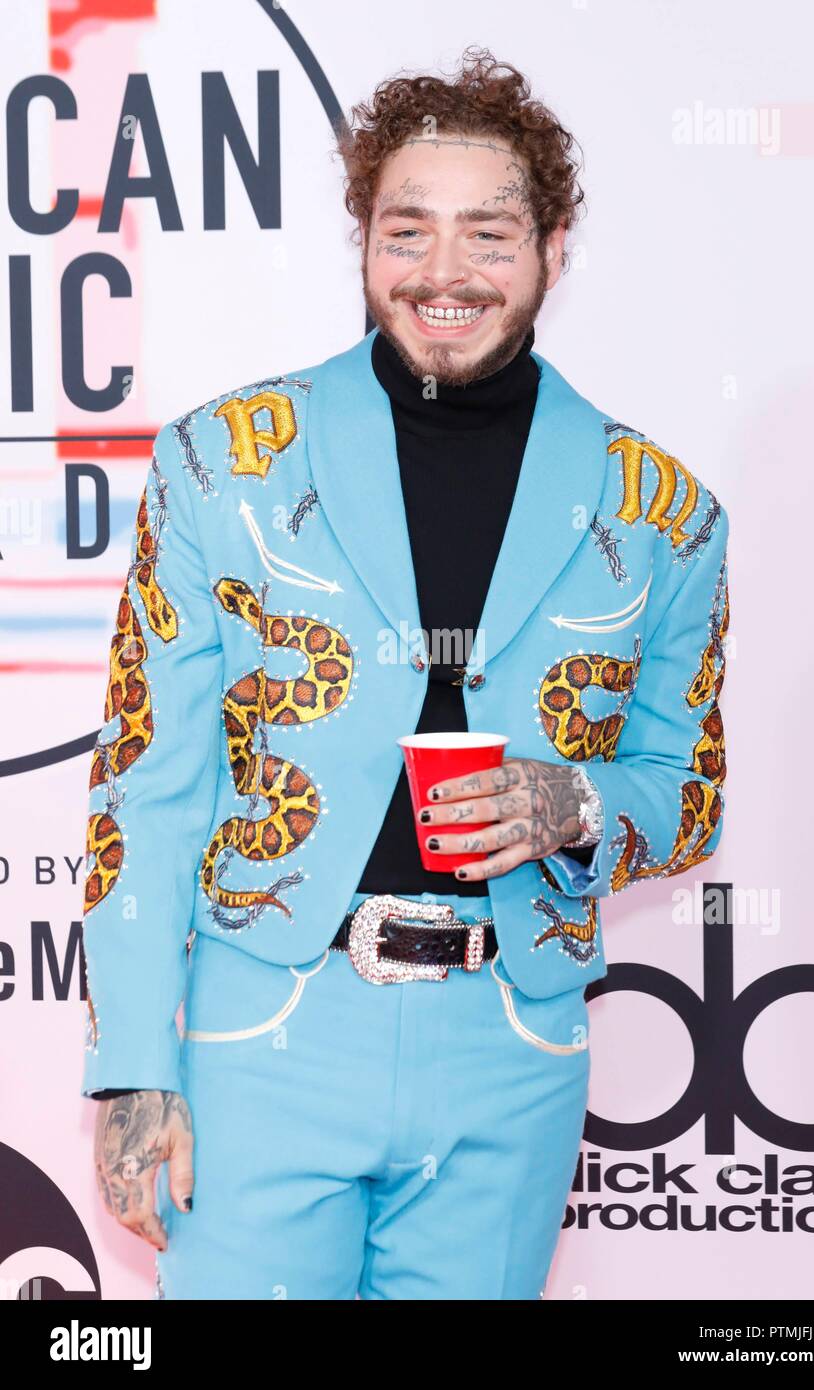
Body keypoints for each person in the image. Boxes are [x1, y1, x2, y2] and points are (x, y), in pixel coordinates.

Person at [81, 47, 730, 1300]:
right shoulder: (222, 463)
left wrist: (576, 803)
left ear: (551, 247)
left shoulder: (664, 511)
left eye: (486, 234)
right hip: (259, 1036)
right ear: (363, 242)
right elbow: (144, 777)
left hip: (512, 1045)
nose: (442, 274)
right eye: (405, 230)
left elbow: (687, 787)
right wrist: (128, 1067)